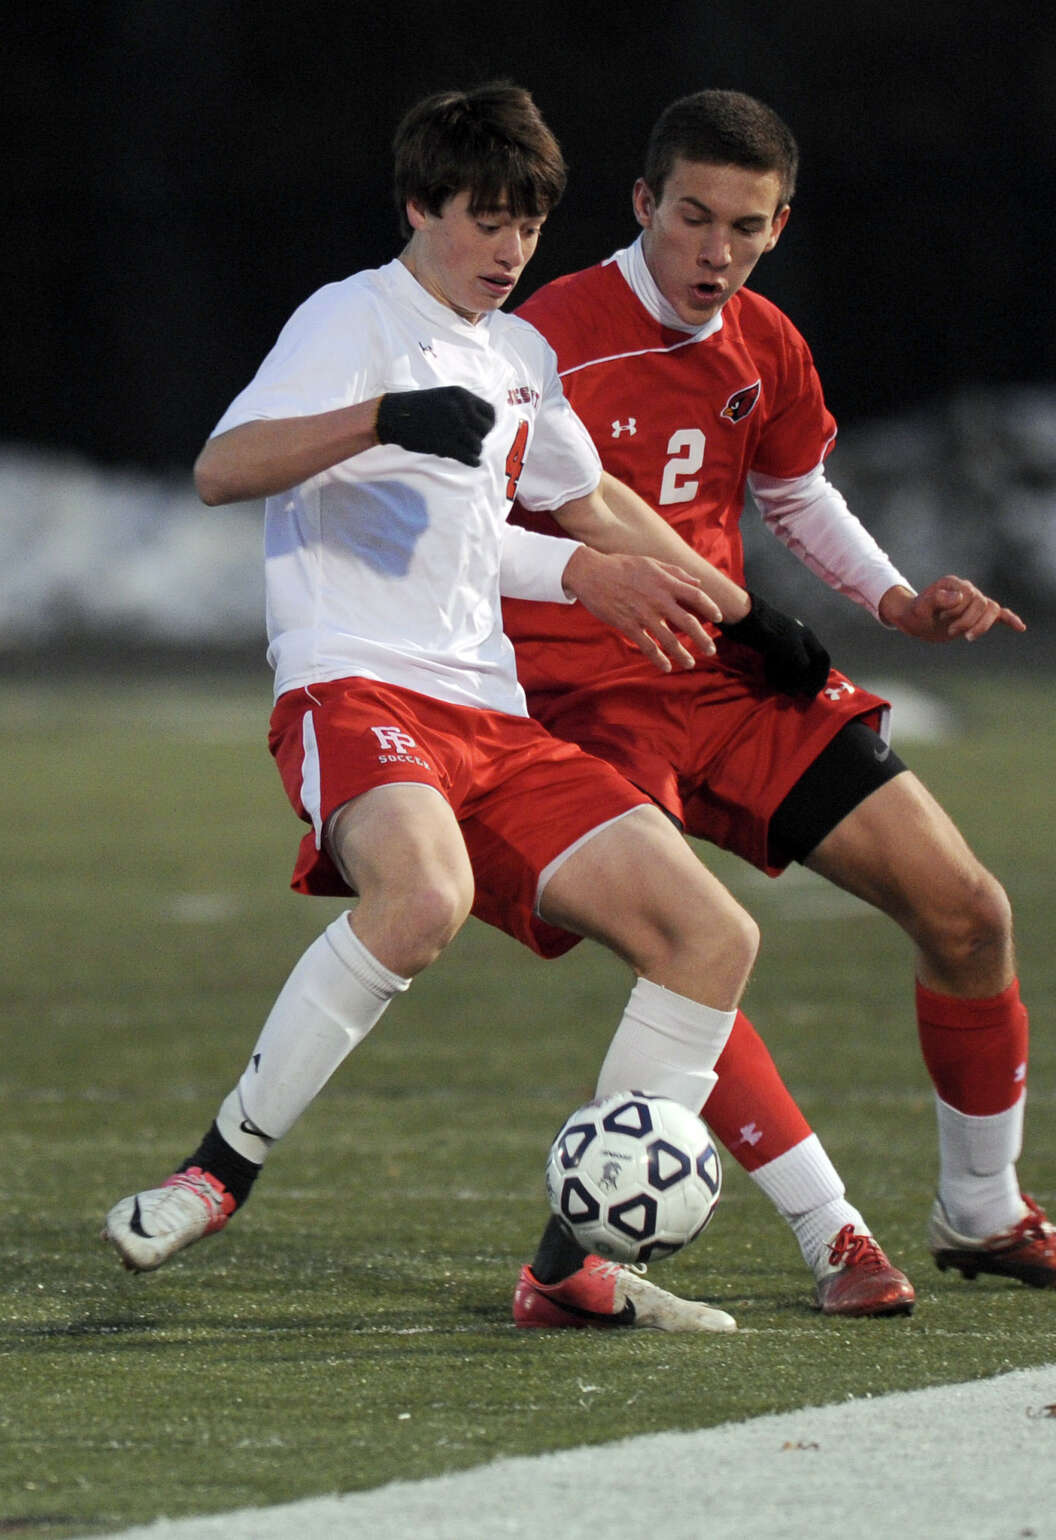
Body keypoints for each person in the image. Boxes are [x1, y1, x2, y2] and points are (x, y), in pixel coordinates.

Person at [98, 82, 850, 1334]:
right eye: (485, 220)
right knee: (422, 897)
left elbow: (583, 504)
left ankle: (571, 1265)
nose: (509, 250)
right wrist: (382, 415)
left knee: (709, 936)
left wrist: (738, 611)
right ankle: (214, 1173)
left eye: (530, 226)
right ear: (418, 206)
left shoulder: (517, 358)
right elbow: (223, 468)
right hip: (354, 684)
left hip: (490, 716)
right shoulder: (352, 318)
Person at [504, 88, 1056, 1306]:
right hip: (581, 699)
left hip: (730, 673)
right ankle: (833, 1234)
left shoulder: (766, 341)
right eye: (693, 217)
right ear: (642, 204)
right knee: (691, 952)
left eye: (745, 227)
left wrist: (898, 601)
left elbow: (794, 492)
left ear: (780, 226)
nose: (717, 250)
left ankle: (986, 1212)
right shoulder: (545, 341)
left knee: (968, 911)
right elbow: (479, 530)